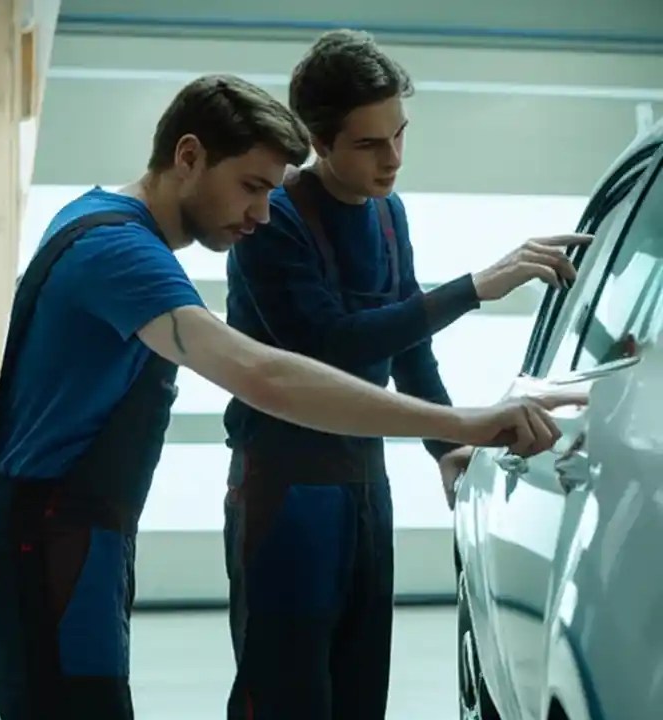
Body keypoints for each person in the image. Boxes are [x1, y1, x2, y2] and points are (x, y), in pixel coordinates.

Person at [0, 72, 577, 720]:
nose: (261, 215)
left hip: (79, 535)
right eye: (251, 187)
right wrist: (465, 424)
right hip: (49, 540)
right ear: (189, 156)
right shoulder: (117, 248)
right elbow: (265, 376)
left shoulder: (102, 221)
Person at [221, 30, 591, 719]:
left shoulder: (389, 215)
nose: (392, 158)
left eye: (399, 135)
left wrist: (445, 448)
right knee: (287, 696)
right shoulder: (272, 220)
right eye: (368, 144)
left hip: (365, 483)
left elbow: (408, 345)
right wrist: (476, 287)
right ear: (319, 141)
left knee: (362, 692)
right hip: (284, 491)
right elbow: (329, 347)